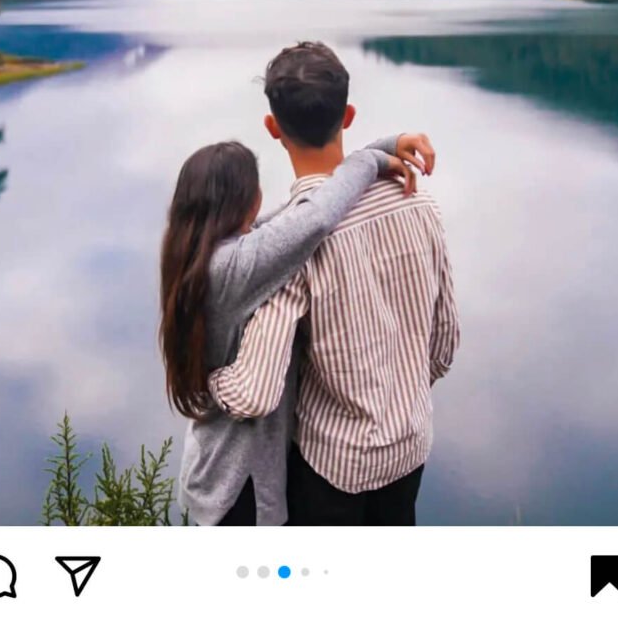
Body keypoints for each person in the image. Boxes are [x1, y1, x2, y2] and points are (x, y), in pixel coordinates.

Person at [209, 42, 460, 525]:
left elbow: (255, 392)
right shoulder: (417, 201)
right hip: (410, 447)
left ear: (273, 128)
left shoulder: (290, 248)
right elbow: (444, 342)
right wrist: (399, 395)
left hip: (330, 465)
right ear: (348, 116)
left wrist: (207, 384)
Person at [160, 125, 435, 526]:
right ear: (249, 202)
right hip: (242, 483)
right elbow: (315, 218)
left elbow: (303, 214)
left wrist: (383, 149)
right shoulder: (239, 266)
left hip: (211, 465)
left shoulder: (194, 254)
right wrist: (374, 158)